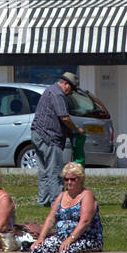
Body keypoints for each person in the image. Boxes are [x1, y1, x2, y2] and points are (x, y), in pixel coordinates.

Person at [30, 72, 81, 206]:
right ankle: (57, 202)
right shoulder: (58, 94)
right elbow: (64, 117)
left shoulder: (49, 90)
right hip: (49, 137)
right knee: (55, 171)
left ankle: (43, 200)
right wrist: (76, 129)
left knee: (43, 170)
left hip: (37, 133)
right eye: (72, 89)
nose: (71, 93)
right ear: (66, 84)